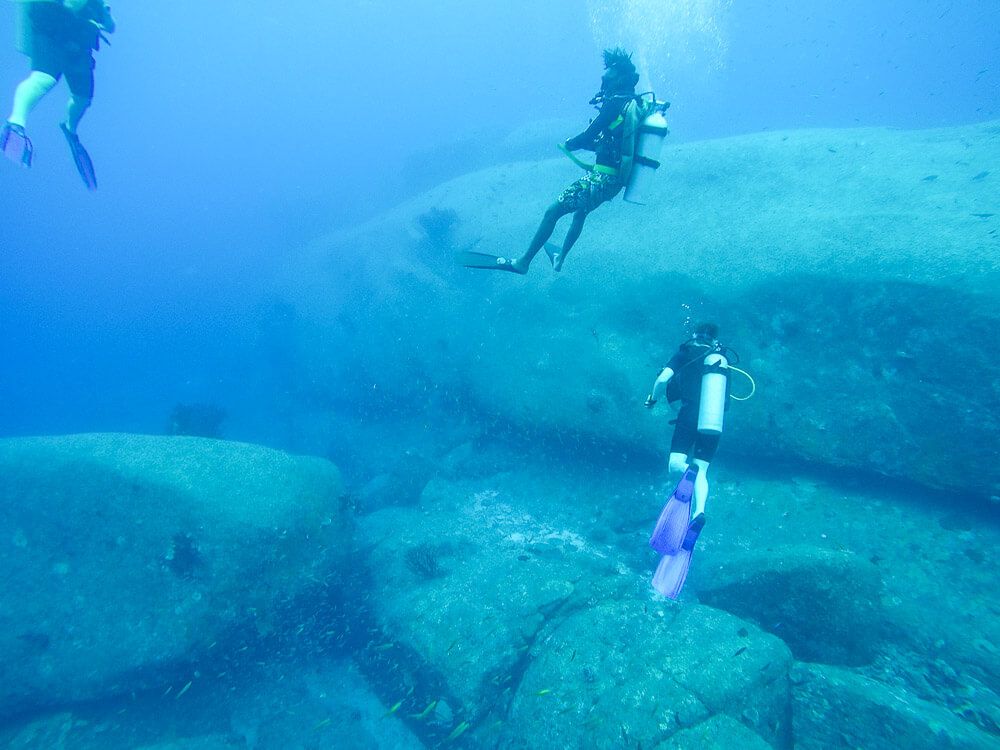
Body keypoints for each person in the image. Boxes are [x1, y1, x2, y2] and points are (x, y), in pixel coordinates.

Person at [459, 48, 641, 275]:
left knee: (552, 212)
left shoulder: (614, 104)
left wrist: (570, 143)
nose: (604, 77)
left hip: (602, 178)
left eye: (609, 71)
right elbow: (611, 140)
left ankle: (523, 262)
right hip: (614, 180)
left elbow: (588, 135)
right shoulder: (631, 103)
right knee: (580, 212)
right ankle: (559, 258)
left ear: (618, 76)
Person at [644, 322, 733, 599]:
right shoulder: (720, 360)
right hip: (714, 422)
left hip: (690, 415)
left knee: (676, 466)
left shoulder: (685, 353)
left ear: (695, 334)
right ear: (715, 339)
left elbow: (662, 380)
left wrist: (652, 399)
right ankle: (699, 512)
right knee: (704, 470)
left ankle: (687, 470)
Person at [0, 0, 116, 189]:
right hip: (53, 31)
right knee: (43, 80)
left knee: (82, 99)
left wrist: (105, 13)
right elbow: (75, 9)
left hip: (75, 41)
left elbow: (110, 26)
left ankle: (67, 129)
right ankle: (17, 123)